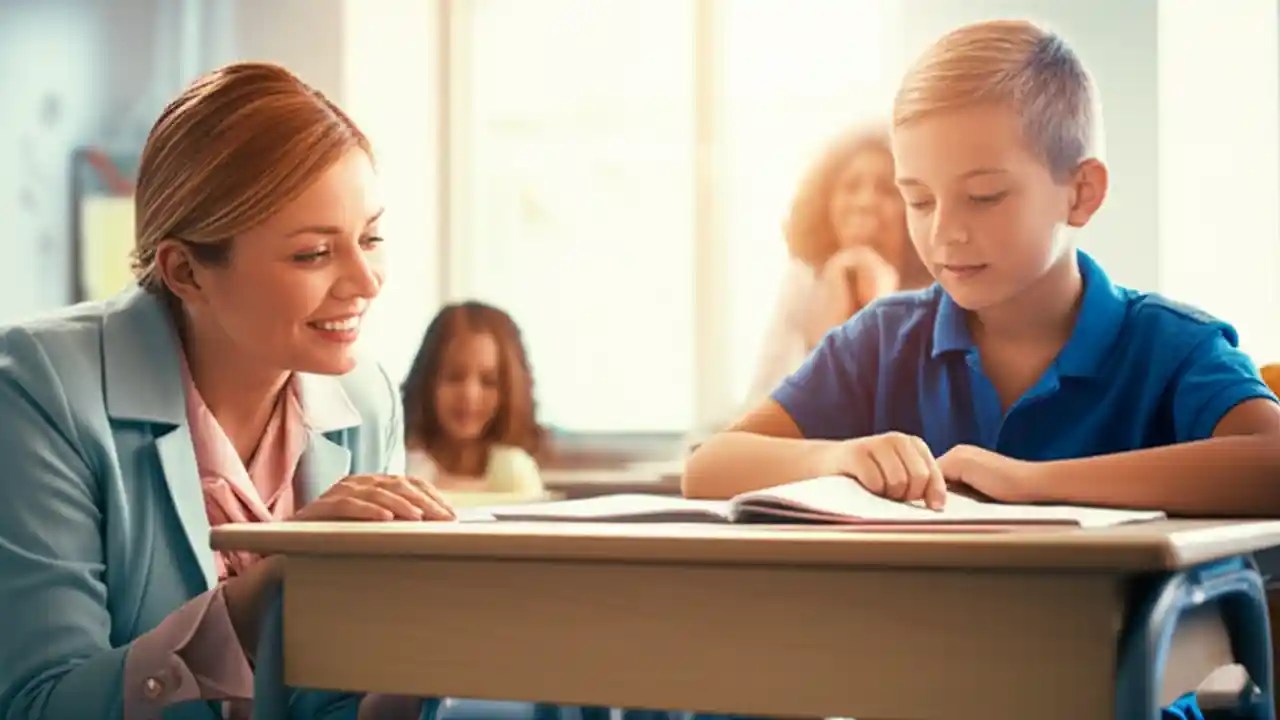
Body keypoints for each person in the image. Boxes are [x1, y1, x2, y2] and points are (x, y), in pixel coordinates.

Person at [683, 20, 1280, 718]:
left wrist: (1036, 485)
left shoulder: (1167, 342)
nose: (944, 233)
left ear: (1081, 193)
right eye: (920, 199)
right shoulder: (881, 339)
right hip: (916, 682)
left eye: (986, 196)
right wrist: (836, 457)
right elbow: (710, 465)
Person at [0, 62, 454, 719]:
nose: (367, 279)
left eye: (371, 238)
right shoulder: (41, 388)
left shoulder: (368, 397)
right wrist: (274, 587)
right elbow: (39, 706)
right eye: (313, 254)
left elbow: (333, 705)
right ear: (185, 270)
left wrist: (429, 645)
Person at [746, 125, 932, 404]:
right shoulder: (803, 284)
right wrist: (824, 334)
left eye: (886, 190)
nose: (865, 202)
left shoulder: (938, 295)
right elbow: (763, 403)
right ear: (827, 203)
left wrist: (879, 308)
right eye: (851, 187)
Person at [402, 302, 545, 505]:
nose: (469, 395)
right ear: (427, 380)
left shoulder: (515, 470)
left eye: (489, 382)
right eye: (454, 377)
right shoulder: (406, 469)